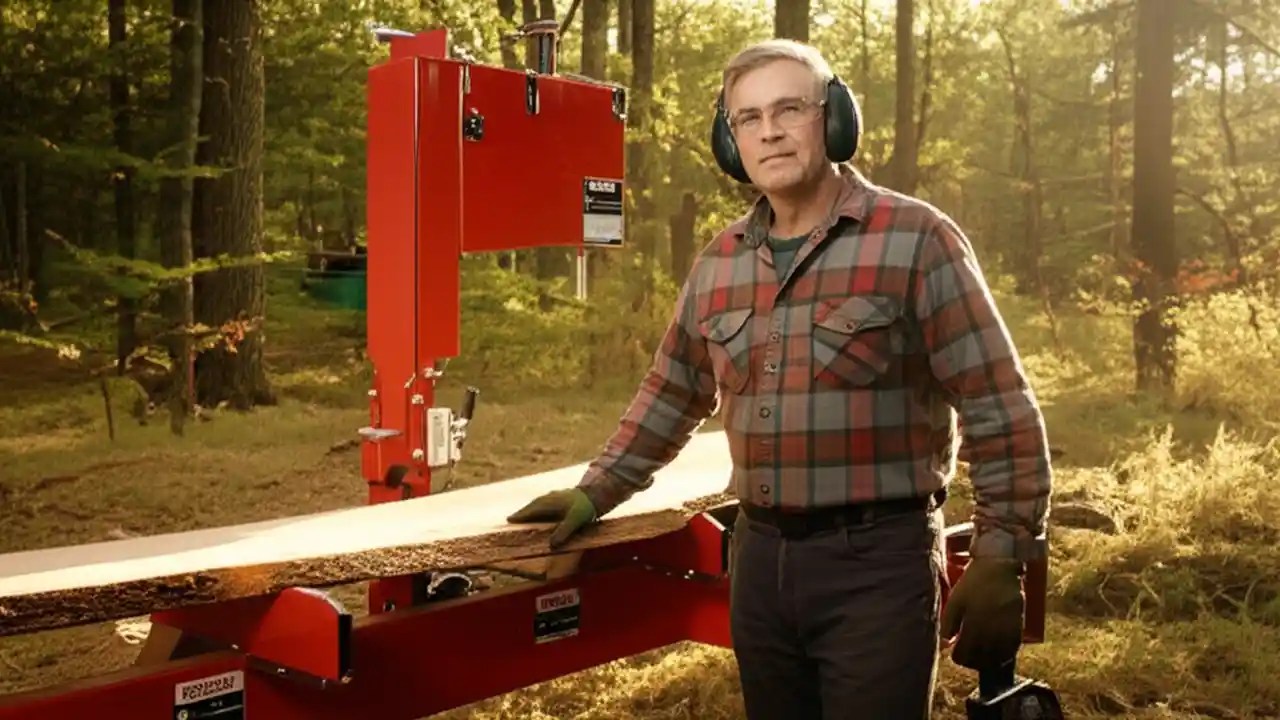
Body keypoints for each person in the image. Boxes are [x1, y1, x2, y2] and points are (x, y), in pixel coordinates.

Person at [507, 38, 1052, 720]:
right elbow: (671, 394)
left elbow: (998, 404)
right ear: (729, 140)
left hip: (876, 566)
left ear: (834, 119)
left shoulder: (916, 239)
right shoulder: (719, 263)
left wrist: (1004, 552)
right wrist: (596, 492)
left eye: (789, 108)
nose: (769, 130)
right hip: (759, 562)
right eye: (747, 117)